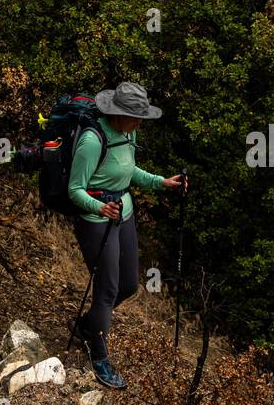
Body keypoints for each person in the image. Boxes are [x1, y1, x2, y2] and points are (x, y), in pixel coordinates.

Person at [69, 81, 186, 389]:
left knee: (129, 285)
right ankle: (100, 359)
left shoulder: (128, 133)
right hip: (96, 219)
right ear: (118, 114)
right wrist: (99, 206)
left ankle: (88, 325)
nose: (140, 123)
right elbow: (74, 190)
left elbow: (127, 171)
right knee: (107, 289)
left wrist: (161, 182)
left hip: (125, 211)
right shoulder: (93, 141)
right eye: (136, 117)